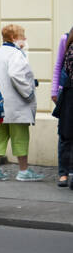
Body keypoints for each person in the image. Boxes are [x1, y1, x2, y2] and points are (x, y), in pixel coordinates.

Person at [0, 24, 42, 181]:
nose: (24, 39)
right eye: (22, 36)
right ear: (13, 38)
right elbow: (16, 74)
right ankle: (23, 171)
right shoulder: (16, 54)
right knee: (20, 137)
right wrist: (29, 92)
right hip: (16, 105)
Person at [55, 24, 73, 187]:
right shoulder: (66, 39)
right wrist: (55, 91)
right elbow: (58, 67)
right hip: (68, 93)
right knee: (65, 135)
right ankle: (63, 173)